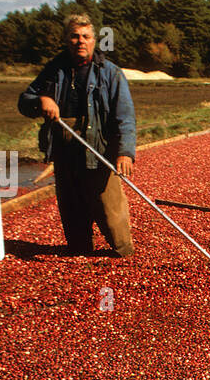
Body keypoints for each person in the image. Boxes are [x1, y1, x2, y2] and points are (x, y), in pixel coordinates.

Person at [18, 13, 136, 256]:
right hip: (64, 149)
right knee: (71, 205)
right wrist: (41, 100)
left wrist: (125, 152)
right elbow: (24, 100)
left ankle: (122, 251)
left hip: (98, 148)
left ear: (94, 40)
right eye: (74, 36)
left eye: (85, 36)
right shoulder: (54, 70)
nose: (80, 41)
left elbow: (125, 116)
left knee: (110, 208)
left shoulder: (110, 72)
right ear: (66, 40)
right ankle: (80, 251)